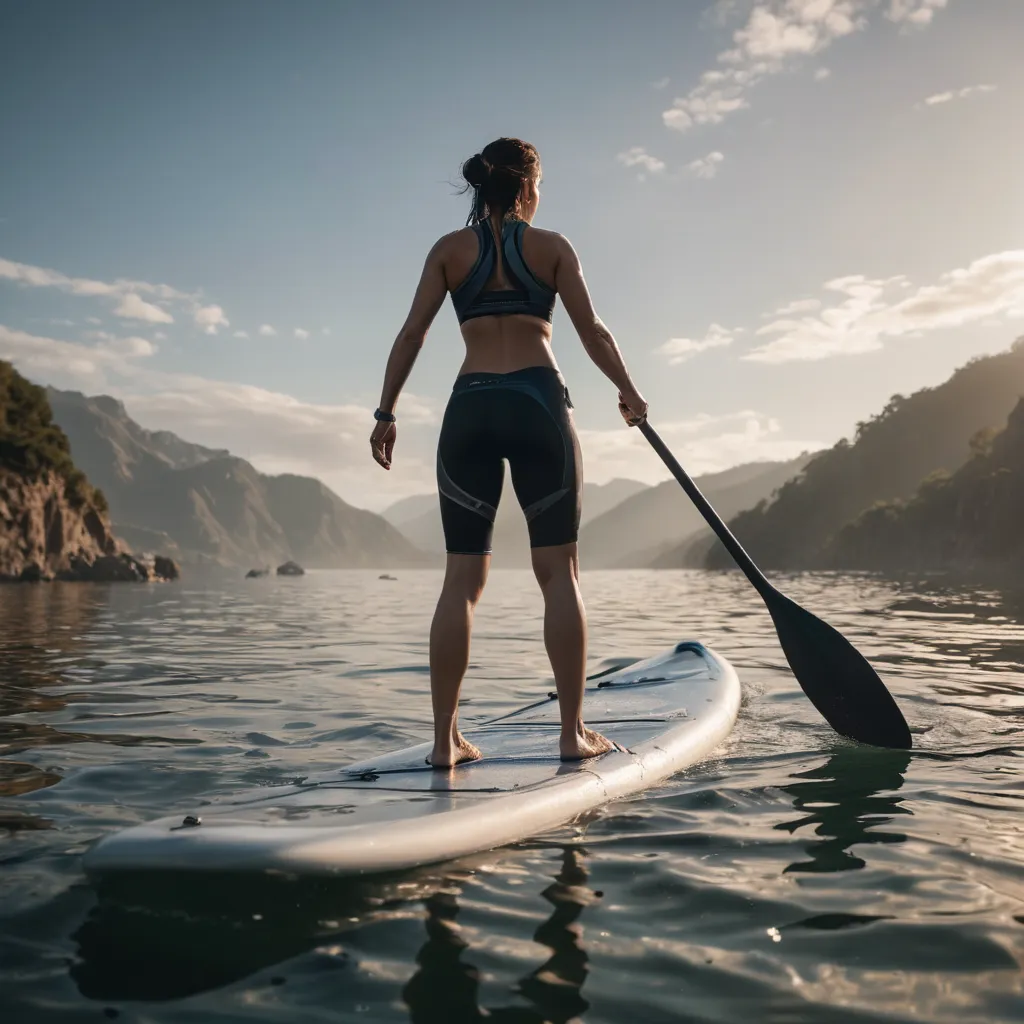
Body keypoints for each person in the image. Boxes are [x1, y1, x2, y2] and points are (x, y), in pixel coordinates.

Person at [370, 137, 648, 768]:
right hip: (536, 405)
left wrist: (386, 413)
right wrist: (629, 393)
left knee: (460, 582)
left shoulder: (449, 251)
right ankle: (571, 732)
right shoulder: (551, 247)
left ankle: (444, 741)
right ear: (527, 186)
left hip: (469, 407)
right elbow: (592, 330)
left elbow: (411, 332)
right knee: (559, 574)